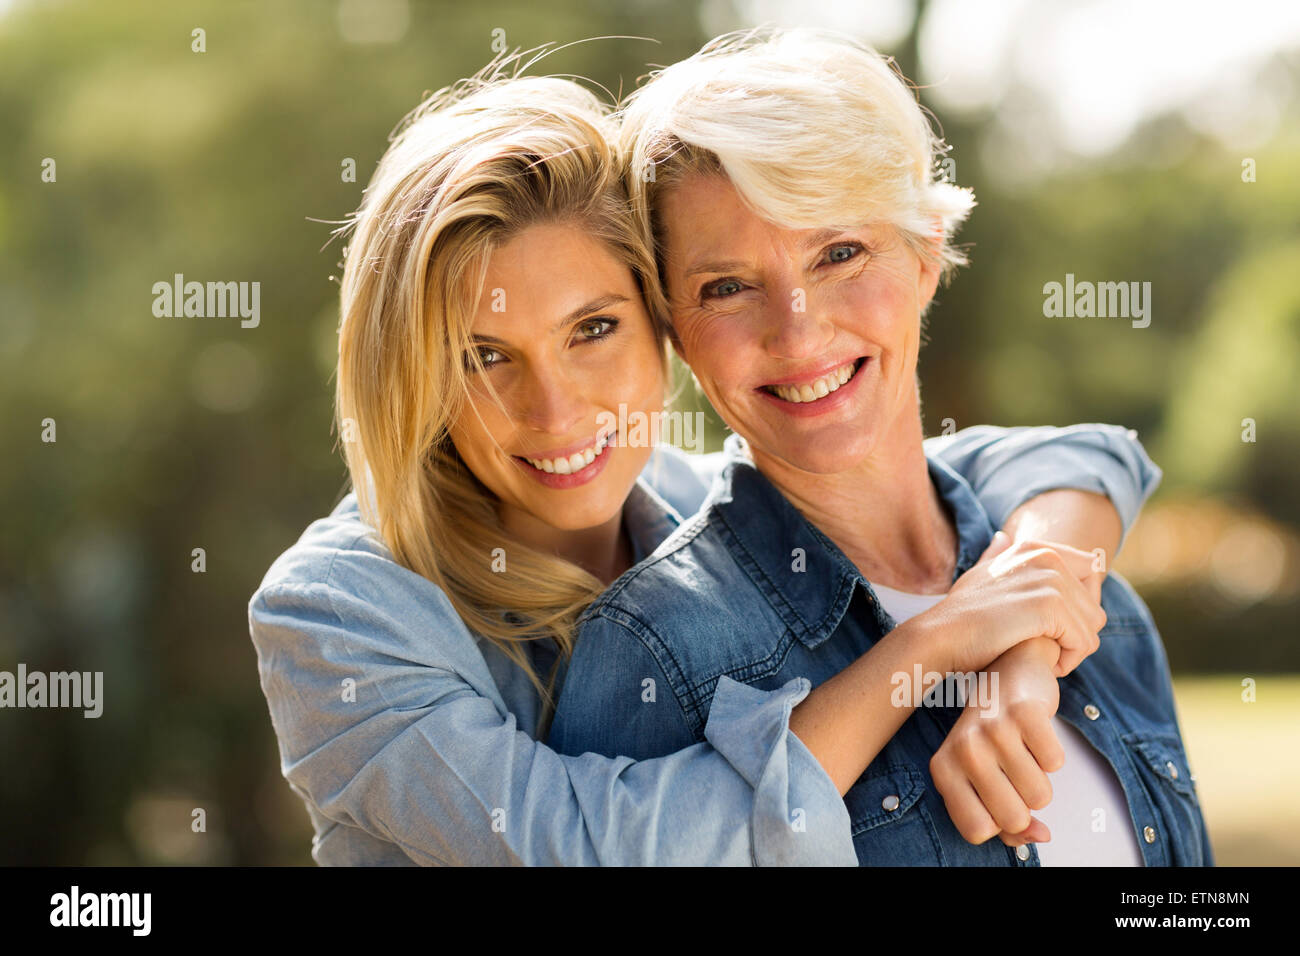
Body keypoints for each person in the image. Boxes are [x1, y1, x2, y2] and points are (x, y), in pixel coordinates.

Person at [249, 58, 1163, 866]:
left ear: (657, 328)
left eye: (592, 329)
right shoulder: (338, 613)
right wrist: (931, 645)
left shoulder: (694, 505)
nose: (556, 409)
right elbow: (584, 850)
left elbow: (1060, 458)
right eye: (482, 355)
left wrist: (1028, 644)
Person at [548, 28, 1213, 866]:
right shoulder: (653, 648)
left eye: (839, 253)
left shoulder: (1093, 608)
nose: (797, 332)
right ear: (674, 328)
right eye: (727, 286)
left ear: (927, 252)